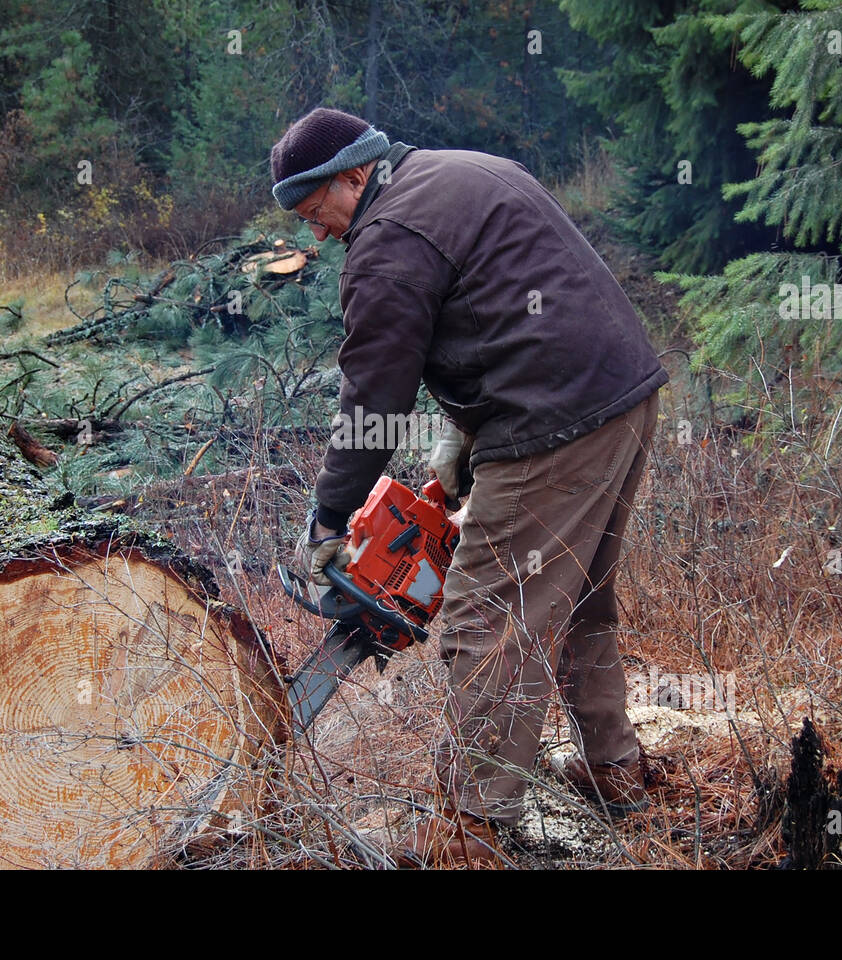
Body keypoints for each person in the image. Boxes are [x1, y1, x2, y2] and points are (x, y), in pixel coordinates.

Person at [275, 108, 669, 867]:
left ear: (354, 174)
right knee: (579, 595)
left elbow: (373, 398)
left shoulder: (387, 242)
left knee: (487, 621)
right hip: (620, 393)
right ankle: (613, 769)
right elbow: (521, 291)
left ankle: (470, 828)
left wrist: (328, 519)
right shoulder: (463, 169)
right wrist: (467, 434)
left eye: (315, 211)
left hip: (553, 419)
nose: (317, 234)